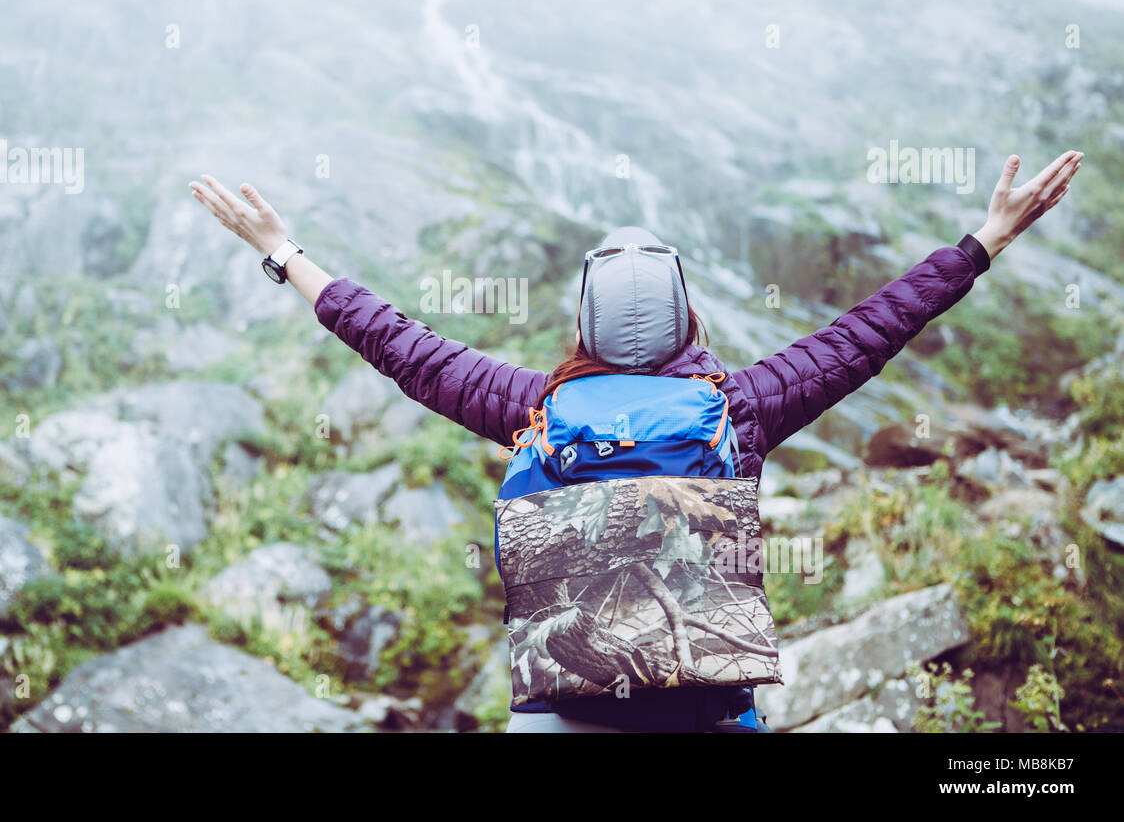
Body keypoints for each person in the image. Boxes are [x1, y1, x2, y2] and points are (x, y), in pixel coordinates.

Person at [188, 149, 1083, 732]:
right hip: (707, 711)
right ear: (690, 315)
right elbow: (872, 329)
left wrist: (282, 251)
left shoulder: (529, 408)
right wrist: (986, 239)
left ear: (582, 323)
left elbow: (396, 342)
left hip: (561, 718)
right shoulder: (745, 407)